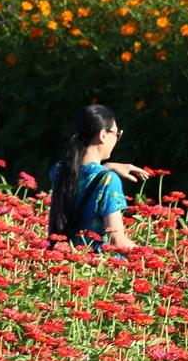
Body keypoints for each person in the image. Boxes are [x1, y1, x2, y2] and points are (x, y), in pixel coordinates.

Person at [48, 105, 148, 252]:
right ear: (102, 135)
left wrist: (107, 166)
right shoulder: (108, 181)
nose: (117, 139)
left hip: (64, 261)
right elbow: (116, 239)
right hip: (93, 267)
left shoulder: (58, 170)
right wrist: (153, 263)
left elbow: (82, 174)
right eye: (117, 134)